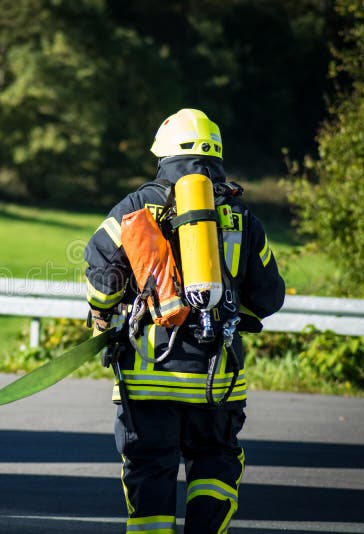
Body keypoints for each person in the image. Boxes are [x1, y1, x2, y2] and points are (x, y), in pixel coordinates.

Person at [84, 108, 285, 533]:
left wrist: (103, 315)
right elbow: (268, 298)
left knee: (149, 469)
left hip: (147, 376)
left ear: (163, 156)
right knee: (214, 464)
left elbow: (101, 271)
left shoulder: (137, 206)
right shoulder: (242, 218)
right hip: (217, 378)